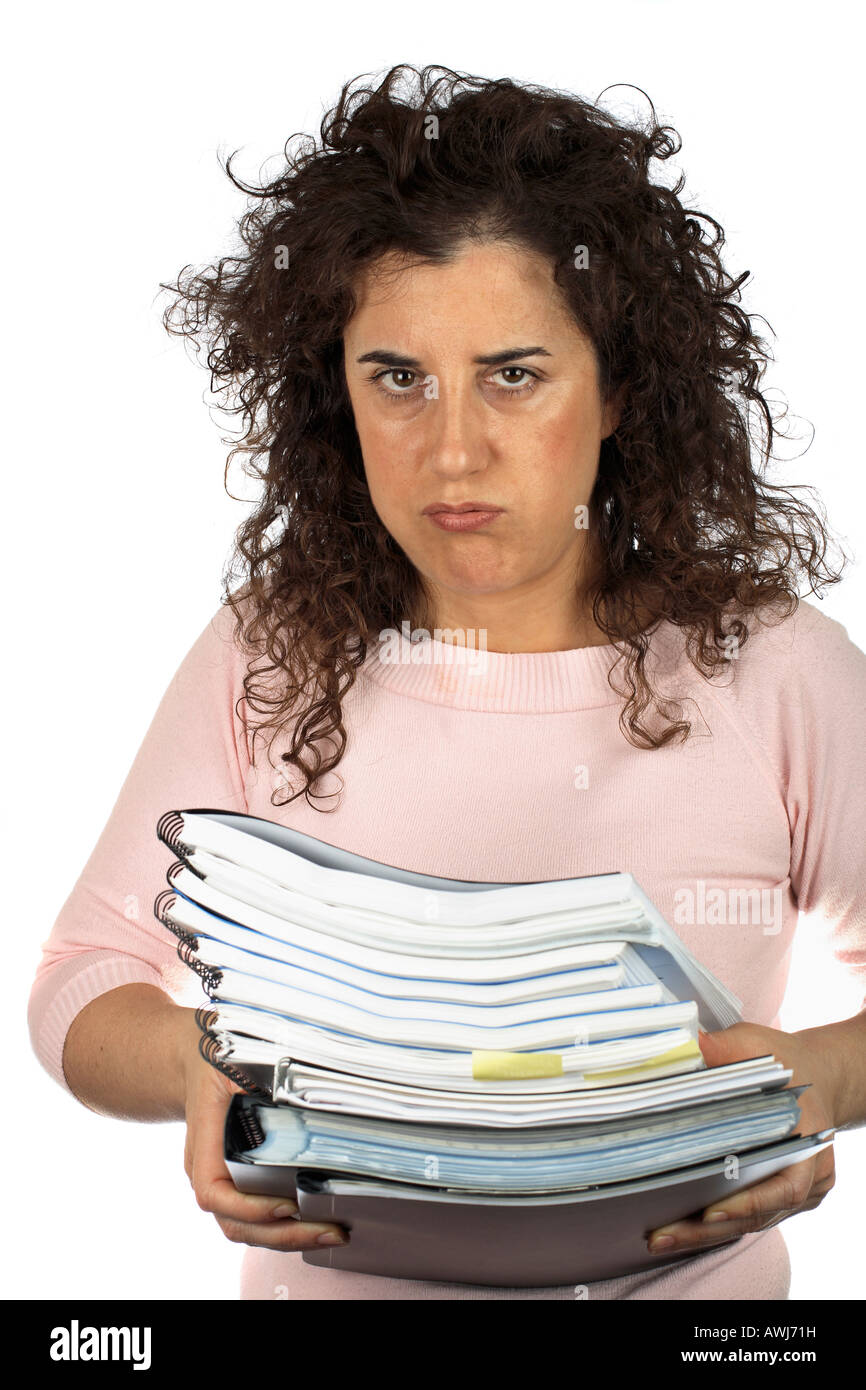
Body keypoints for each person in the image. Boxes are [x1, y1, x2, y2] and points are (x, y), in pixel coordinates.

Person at [28, 63, 866, 1301]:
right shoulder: (269, 653)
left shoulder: (776, 666)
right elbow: (80, 981)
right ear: (337, 394)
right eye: (397, 378)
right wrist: (197, 1068)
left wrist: (816, 1084)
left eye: (513, 374)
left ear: (619, 388)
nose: (452, 447)